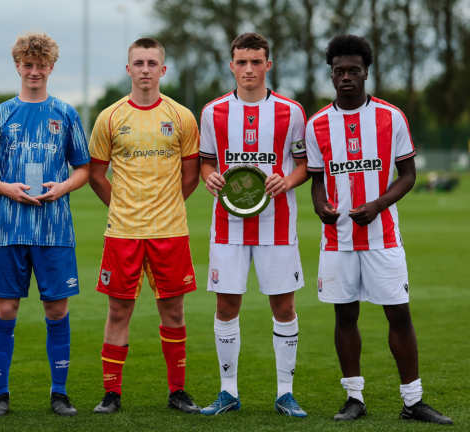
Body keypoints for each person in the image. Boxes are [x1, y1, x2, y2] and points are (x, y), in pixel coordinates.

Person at [306, 34, 452, 425]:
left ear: (366, 72)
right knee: (345, 316)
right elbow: (317, 179)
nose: (347, 77)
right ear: (331, 75)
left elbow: (408, 176)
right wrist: (320, 206)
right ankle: (354, 398)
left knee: (399, 315)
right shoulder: (317, 124)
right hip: (337, 239)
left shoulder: (391, 117)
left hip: (383, 236)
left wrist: (377, 205)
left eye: (354, 70)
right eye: (340, 71)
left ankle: (413, 401)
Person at [0, 31, 90, 418]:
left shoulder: (66, 113)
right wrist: (5, 188)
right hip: (9, 230)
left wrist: (63, 187)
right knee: (5, 309)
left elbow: (83, 169)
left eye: (41, 65)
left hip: (55, 231)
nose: (34, 71)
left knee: (56, 310)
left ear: (51, 68)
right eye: (28, 65)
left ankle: (60, 393)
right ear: (18, 67)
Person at [198, 33, 309, 417]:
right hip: (228, 225)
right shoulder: (213, 112)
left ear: (268, 65)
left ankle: (285, 393)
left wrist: (287, 181)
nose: (249, 69)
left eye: (256, 61)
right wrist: (209, 177)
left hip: (277, 225)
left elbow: (304, 165)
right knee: (226, 305)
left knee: (284, 305)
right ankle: (228, 392)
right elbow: (206, 163)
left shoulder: (291, 112)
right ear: (231, 66)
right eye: (242, 62)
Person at [89, 37, 201, 414]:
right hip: (123, 232)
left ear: (163, 70)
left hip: (170, 231)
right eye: (138, 63)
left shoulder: (182, 116)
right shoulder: (109, 117)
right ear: (128, 69)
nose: (146, 70)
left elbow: (190, 176)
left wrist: (163, 206)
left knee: (173, 312)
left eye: (152, 63)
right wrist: (122, 205)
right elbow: (96, 174)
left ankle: (177, 392)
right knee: (118, 312)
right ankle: (111, 393)